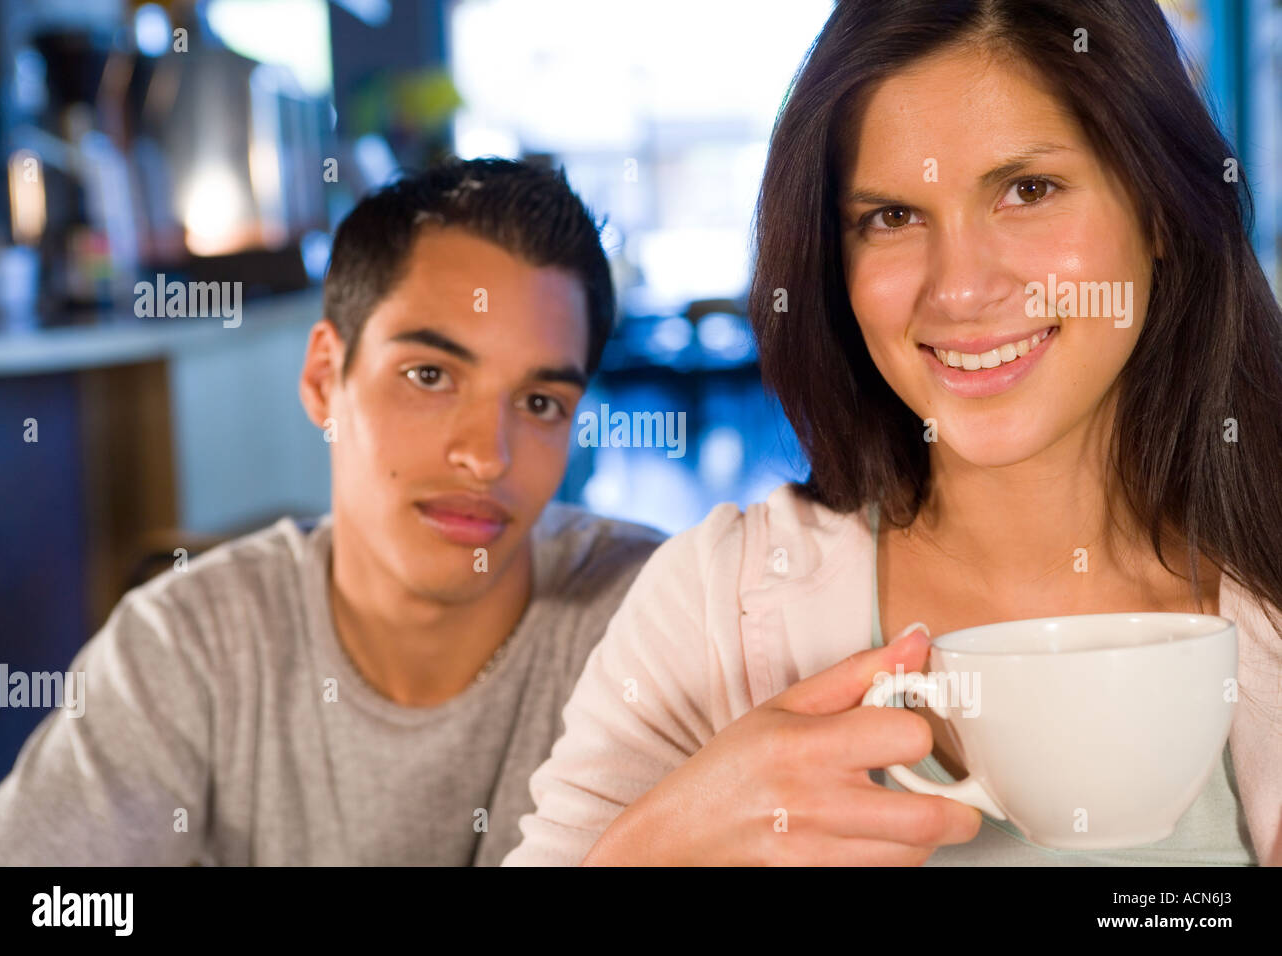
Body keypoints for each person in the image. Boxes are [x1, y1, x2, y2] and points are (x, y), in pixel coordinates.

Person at [503, 0, 1282, 866]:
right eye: (892, 218)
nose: (959, 290)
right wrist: (656, 846)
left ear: (1162, 211)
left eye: (1028, 190)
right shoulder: (711, 605)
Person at [0, 157, 665, 865]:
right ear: (321, 380)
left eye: (539, 403)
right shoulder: (189, 648)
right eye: (430, 376)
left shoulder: (655, 621)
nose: (488, 456)